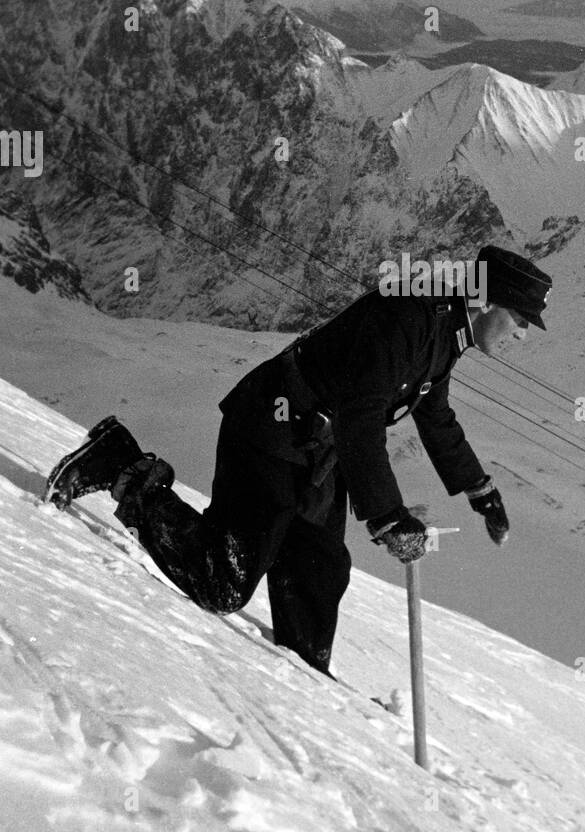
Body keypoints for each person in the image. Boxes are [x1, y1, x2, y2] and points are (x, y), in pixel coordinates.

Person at [45, 245, 552, 676]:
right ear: (486, 300)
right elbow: (361, 414)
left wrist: (480, 490)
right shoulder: (410, 316)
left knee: (318, 575)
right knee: (223, 580)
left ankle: (307, 686)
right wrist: (388, 517)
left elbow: (434, 412)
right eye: (521, 319)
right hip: (270, 430)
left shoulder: (444, 329)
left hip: (316, 453)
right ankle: (123, 467)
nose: (523, 334)